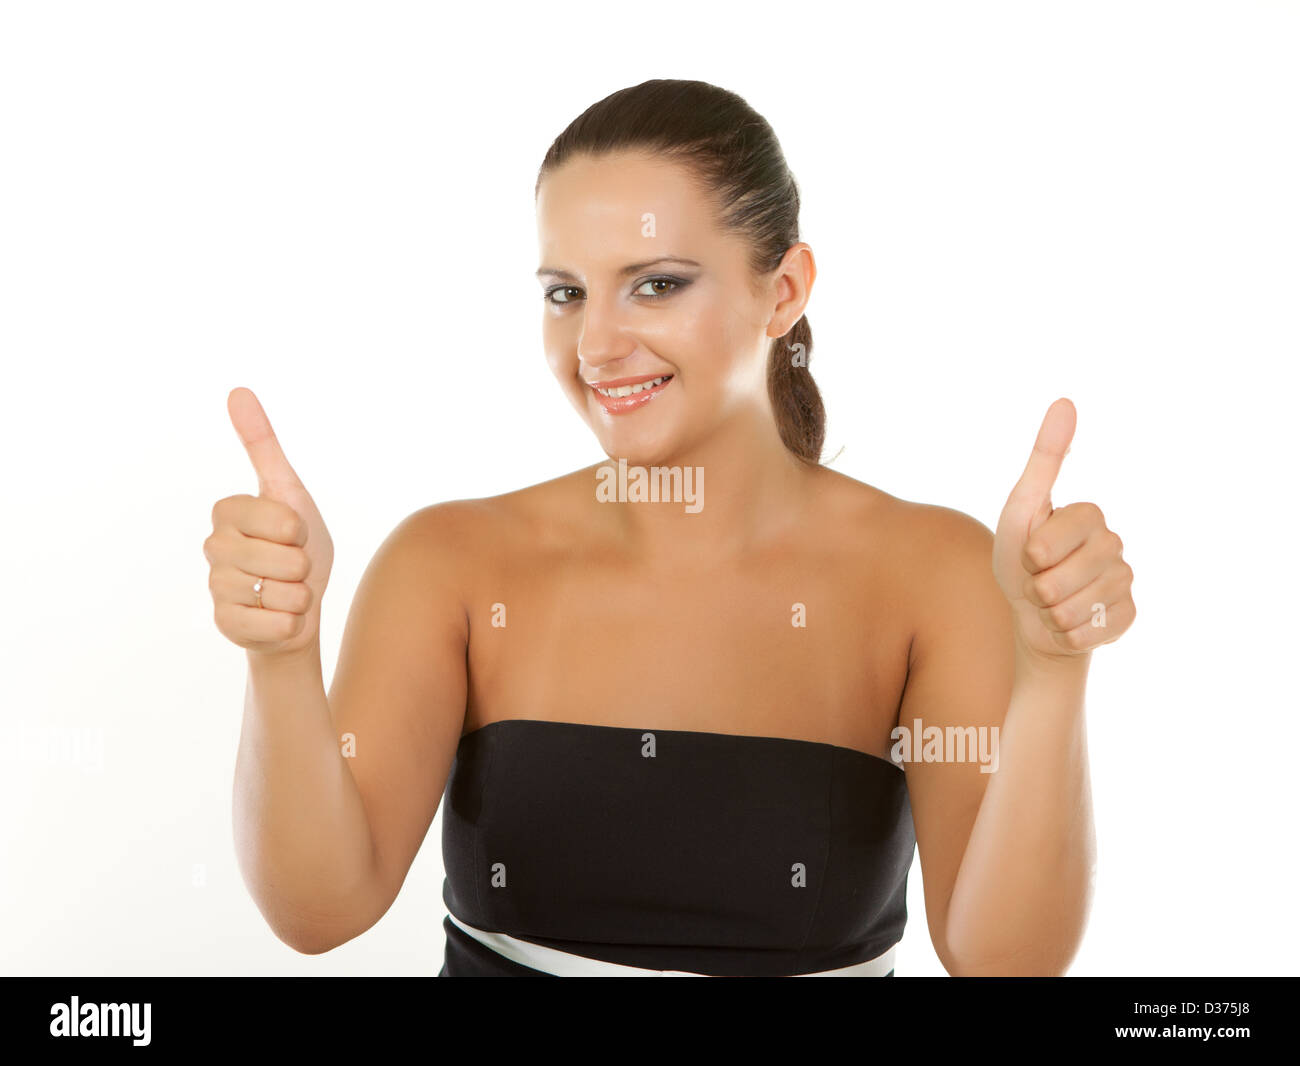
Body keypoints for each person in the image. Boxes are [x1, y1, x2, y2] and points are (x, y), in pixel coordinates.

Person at [204, 79, 1136, 976]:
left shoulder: (934, 574)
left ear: (784, 291)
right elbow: (319, 913)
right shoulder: (448, 564)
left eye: (653, 284)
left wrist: (1055, 670)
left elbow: (1006, 963)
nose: (595, 346)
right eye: (565, 292)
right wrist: (279, 656)